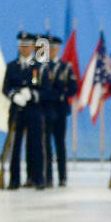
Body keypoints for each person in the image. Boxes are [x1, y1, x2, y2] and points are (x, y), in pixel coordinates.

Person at [2, 32, 45, 190]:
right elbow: (6, 87)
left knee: (36, 146)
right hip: (17, 111)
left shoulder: (39, 67)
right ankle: (14, 179)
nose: (24, 48)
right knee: (15, 145)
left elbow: (45, 89)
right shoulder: (12, 66)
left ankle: (37, 178)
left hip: (34, 110)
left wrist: (32, 94)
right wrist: (13, 95)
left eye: (27, 45)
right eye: (22, 45)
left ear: (33, 47)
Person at [43, 35, 75, 187]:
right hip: (46, 109)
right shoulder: (42, 66)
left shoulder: (65, 67)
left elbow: (73, 88)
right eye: (50, 48)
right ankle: (48, 176)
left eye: (55, 48)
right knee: (46, 145)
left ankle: (63, 177)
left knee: (60, 144)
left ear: (59, 49)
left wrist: (62, 95)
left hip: (60, 111)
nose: (52, 51)